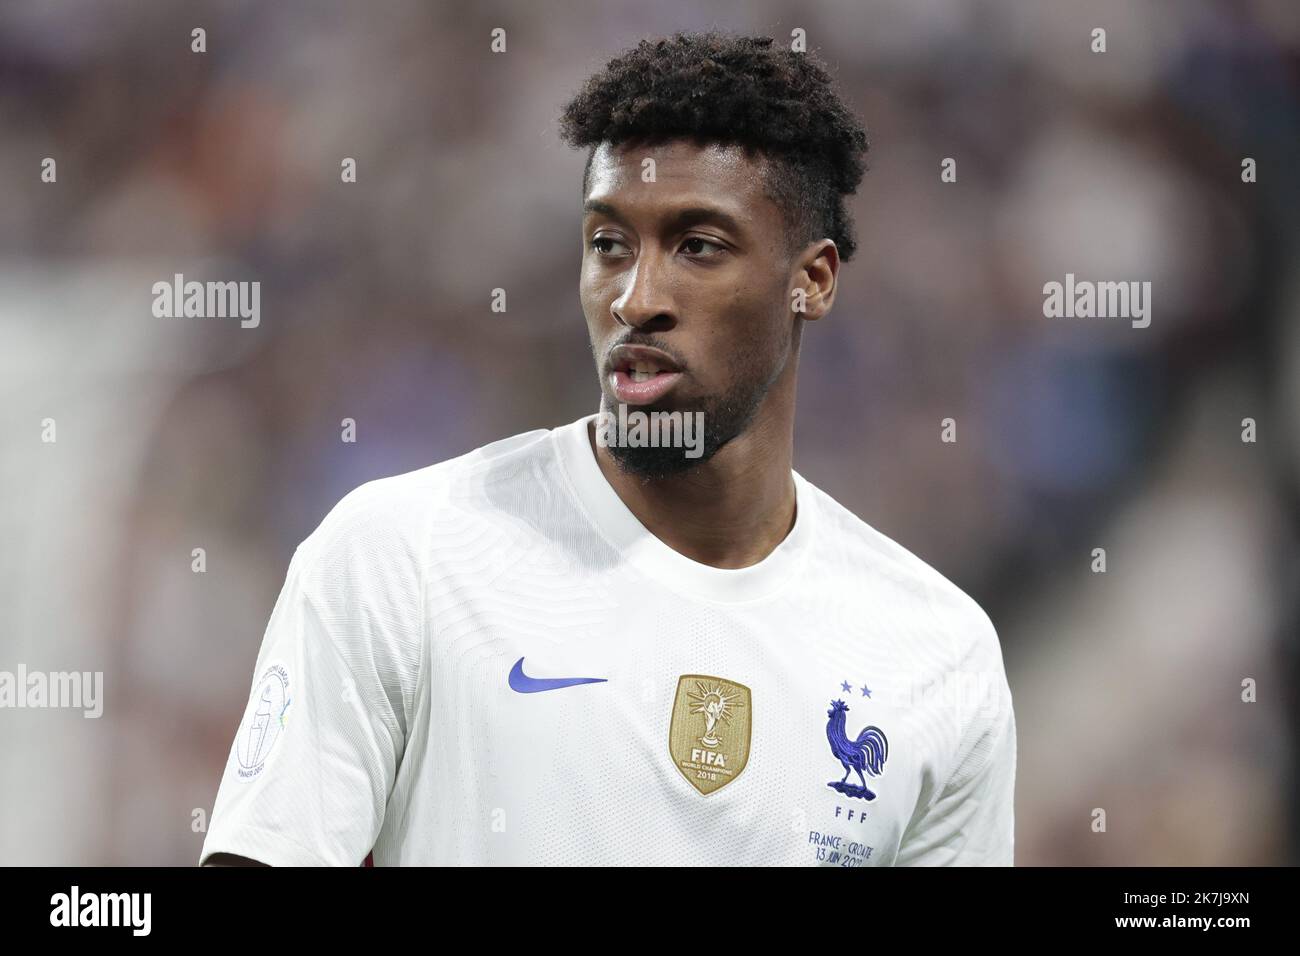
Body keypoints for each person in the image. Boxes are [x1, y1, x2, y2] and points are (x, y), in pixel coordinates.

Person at [201, 30, 1015, 867]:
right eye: (609, 244)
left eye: (698, 246)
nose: (637, 298)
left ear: (812, 280)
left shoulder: (936, 653)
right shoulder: (401, 555)